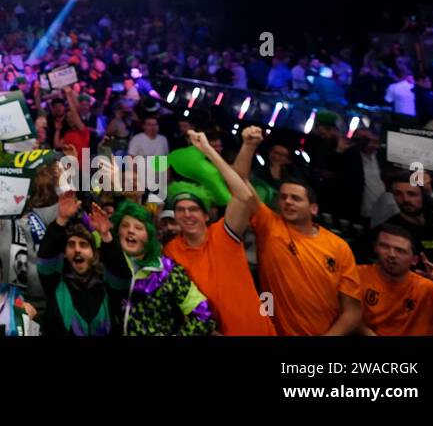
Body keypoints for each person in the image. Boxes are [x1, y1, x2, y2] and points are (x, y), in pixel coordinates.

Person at [234, 126, 362, 335]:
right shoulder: (270, 224)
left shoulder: (338, 246)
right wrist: (249, 145)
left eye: (296, 198)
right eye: (283, 197)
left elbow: (352, 312)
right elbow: (239, 183)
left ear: (313, 208)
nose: (288, 202)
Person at [163, 130, 275, 335]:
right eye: (181, 209)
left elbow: (243, 194)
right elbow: (178, 298)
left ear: (206, 215)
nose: (187, 215)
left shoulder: (223, 233)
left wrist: (208, 150)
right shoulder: (172, 251)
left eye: (194, 209)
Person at [97, 200, 215, 335]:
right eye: (125, 226)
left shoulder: (168, 271)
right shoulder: (107, 264)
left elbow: (203, 316)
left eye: (138, 228)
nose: (130, 230)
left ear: (149, 235)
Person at [355, 225, 433, 336]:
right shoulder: (357, 275)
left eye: (400, 251)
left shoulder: (428, 287)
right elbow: (346, 314)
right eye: (384, 246)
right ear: (375, 248)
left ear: (414, 260)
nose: (391, 254)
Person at [36, 190, 113, 336]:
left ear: (94, 254)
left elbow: (121, 274)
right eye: (71, 245)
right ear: (65, 254)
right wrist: (61, 220)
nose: (77, 250)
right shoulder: (55, 283)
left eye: (83, 245)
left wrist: (106, 235)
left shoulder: (106, 286)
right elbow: (45, 260)